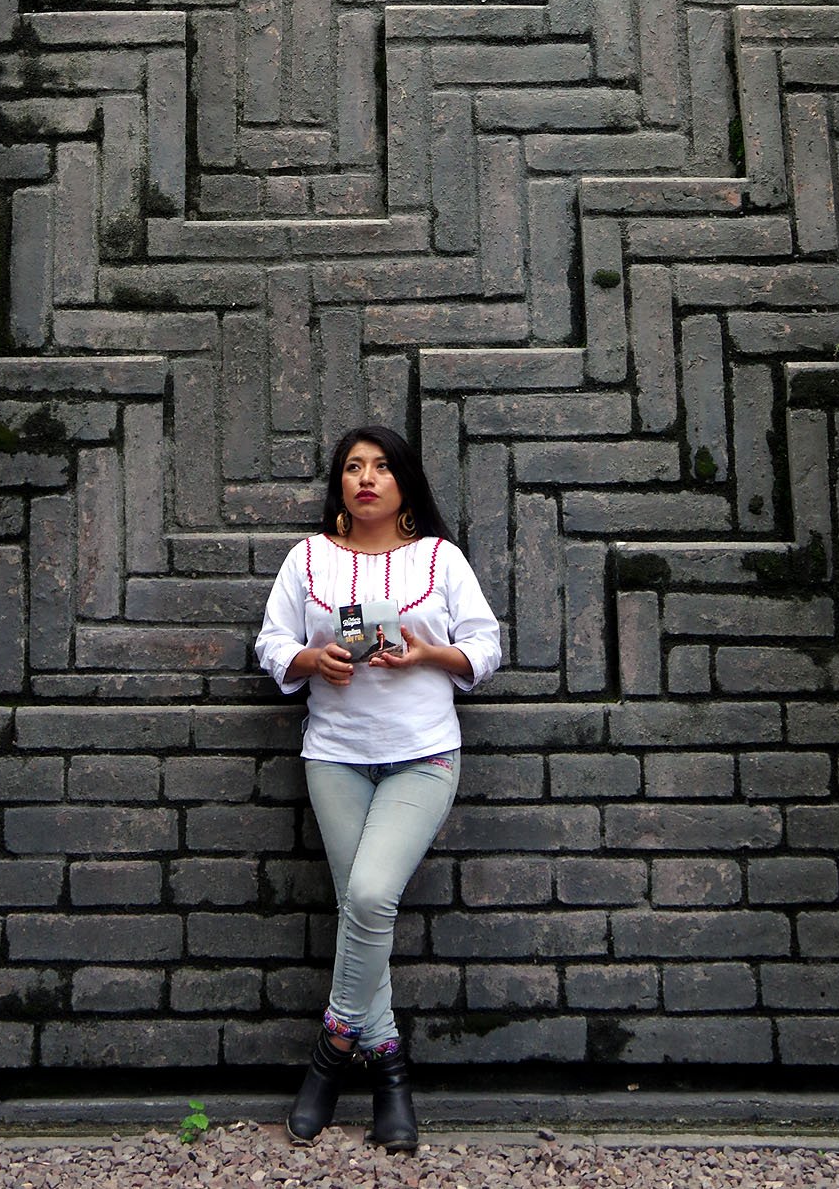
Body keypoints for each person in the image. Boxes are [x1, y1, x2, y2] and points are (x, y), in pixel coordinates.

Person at [254, 425, 503, 1152]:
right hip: (333, 756)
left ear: (404, 484)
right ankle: (390, 1073)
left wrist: (432, 651)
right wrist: (309, 657)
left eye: (382, 466)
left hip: (423, 756)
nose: (367, 478)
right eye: (353, 467)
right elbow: (271, 642)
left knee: (367, 899)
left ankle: (331, 1051)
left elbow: (486, 645)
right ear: (339, 485)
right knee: (365, 911)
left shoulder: (439, 558)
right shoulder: (308, 559)